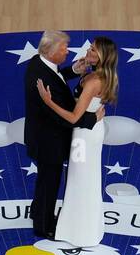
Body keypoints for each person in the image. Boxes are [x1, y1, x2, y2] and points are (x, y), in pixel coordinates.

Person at [22, 30, 99, 241]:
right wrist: (92, 119)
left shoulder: (38, 63)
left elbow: (57, 78)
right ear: (50, 51)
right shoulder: (40, 78)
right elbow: (63, 116)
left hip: (41, 137)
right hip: (49, 142)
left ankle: (38, 211)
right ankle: (44, 226)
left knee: (45, 180)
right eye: (64, 49)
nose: (67, 52)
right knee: (50, 182)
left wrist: (74, 69)